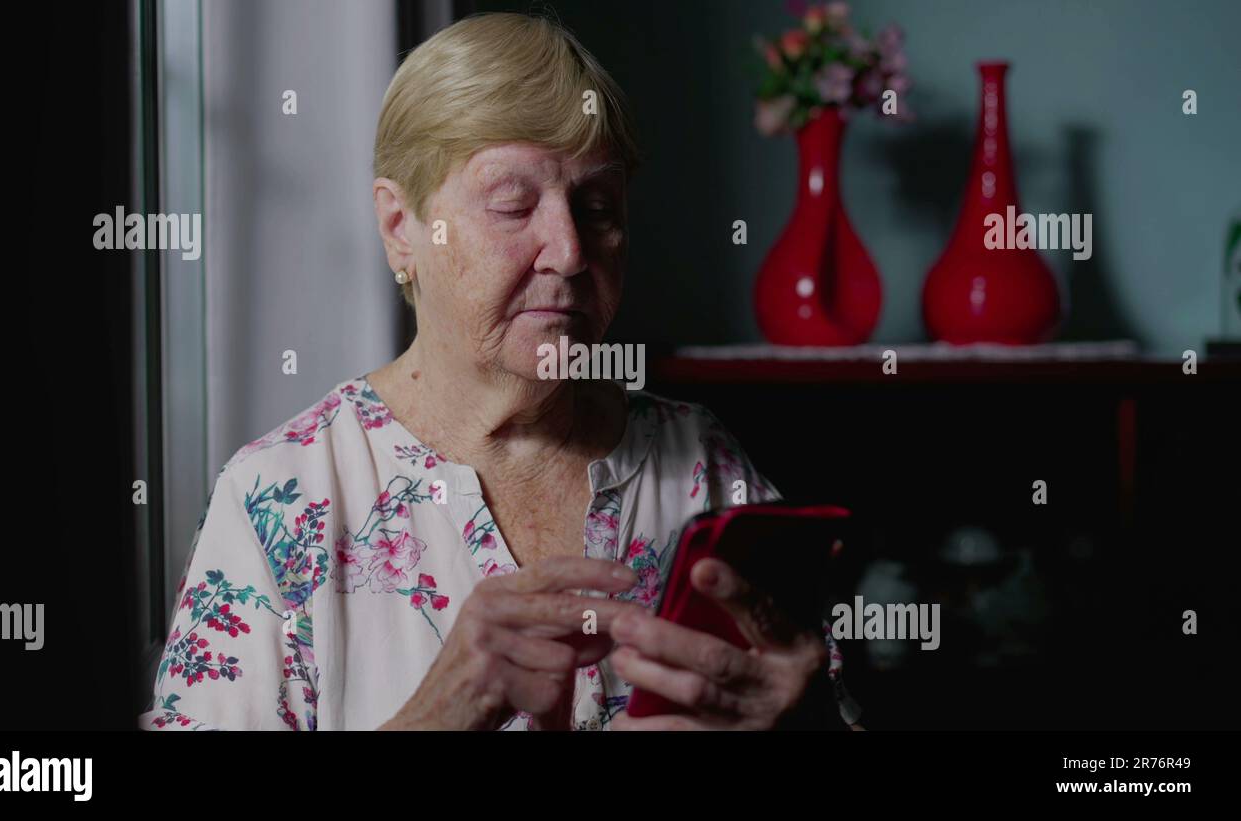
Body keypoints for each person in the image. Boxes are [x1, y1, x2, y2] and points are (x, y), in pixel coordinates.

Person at [140, 11, 861, 731]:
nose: (571, 250)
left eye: (599, 205)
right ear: (401, 229)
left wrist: (808, 720)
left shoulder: (703, 465)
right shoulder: (279, 498)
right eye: (514, 205)